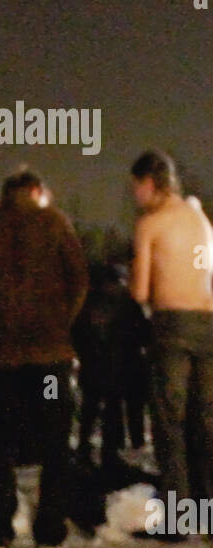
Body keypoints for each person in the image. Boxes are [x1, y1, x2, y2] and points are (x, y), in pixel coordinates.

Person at [0, 168, 88, 548]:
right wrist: (59, 324)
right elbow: (79, 281)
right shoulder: (56, 224)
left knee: (0, 445)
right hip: (49, 359)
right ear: (36, 190)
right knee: (54, 443)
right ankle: (50, 529)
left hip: (2, 361)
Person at [129, 150, 213, 527]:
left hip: (173, 326)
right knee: (206, 421)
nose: (136, 196)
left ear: (149, 183)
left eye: (136, 188)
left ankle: (179, 518)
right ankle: (208, 513)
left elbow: (140, 290)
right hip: (209, 324)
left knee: (170, 423)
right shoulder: (201, 220)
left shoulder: (151, 223)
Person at [73, 260, 151, 481]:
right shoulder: (127, 303)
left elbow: (77, 335)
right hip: (123, 367)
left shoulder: (85, 304)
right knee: (115, 409)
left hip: (94, 367)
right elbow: (144, 333)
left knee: (92, 407)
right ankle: (118, 450)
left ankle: (85, 446)